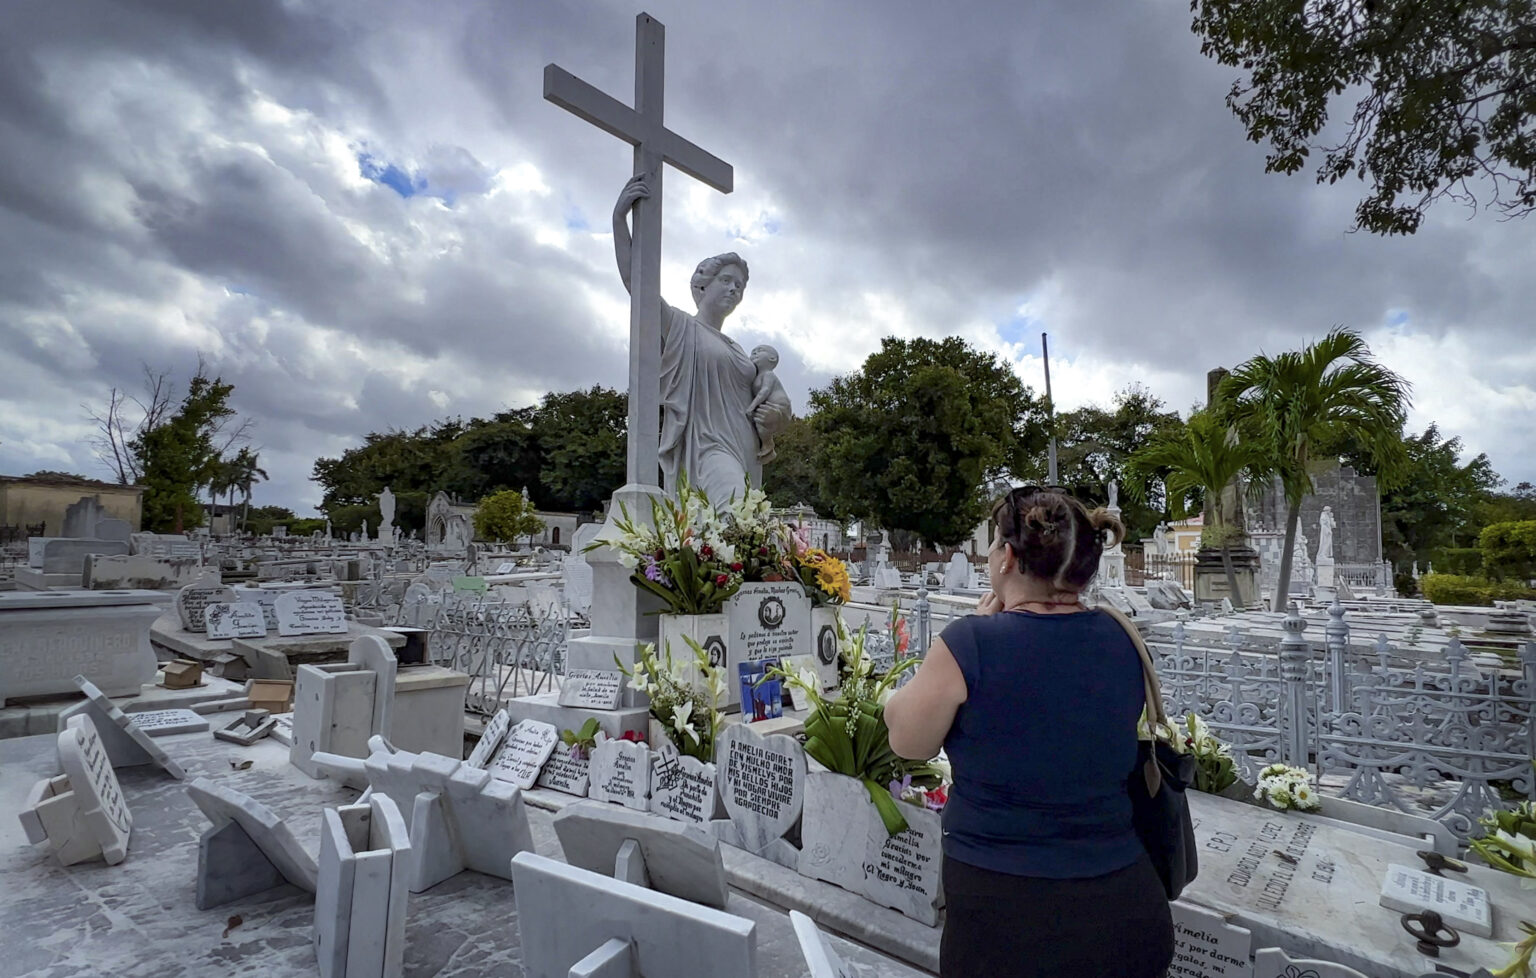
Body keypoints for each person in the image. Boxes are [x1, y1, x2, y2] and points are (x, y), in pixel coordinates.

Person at [884, 486, 1175, 978]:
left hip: (1009, 916)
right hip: (1125, 900)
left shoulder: (972, 642)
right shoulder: (1121, 636)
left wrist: (975, 627)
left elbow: (907, 740)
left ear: (1009, 558)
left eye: (996, 544)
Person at [612, 175, 791, 507]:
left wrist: (776, 417)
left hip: (746, 451)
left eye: (740, 285)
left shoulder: (739, 350)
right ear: (703, 285)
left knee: (740, 537)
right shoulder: (682, 327)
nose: (734, 289)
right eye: (726, 280)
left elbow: (771, 405)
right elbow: (636, 283)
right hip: (707, 448)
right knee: (734, 514)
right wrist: (619, 221)